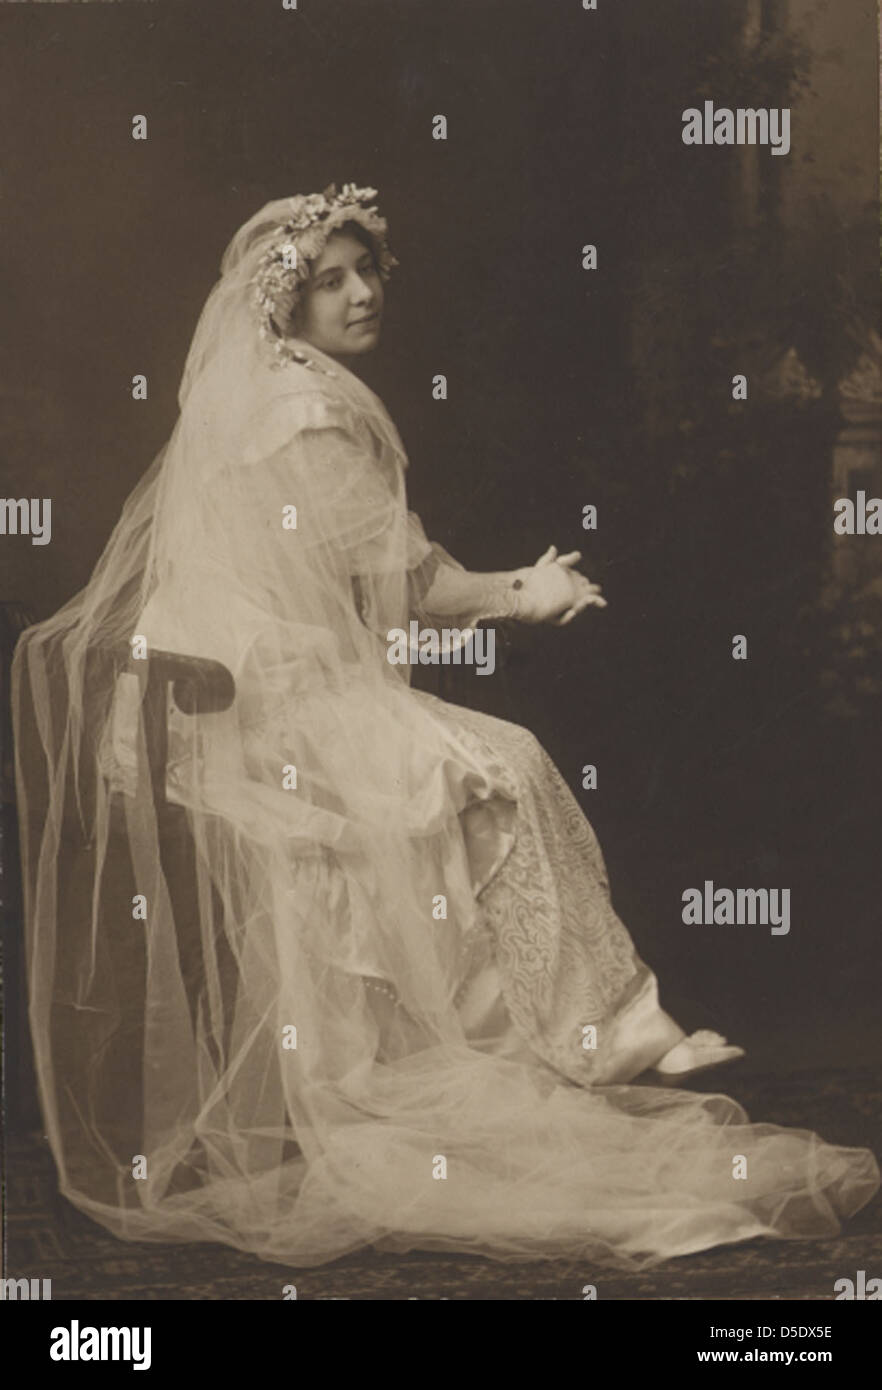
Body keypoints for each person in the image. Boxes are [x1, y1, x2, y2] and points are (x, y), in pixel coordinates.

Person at [12, 184, 878, 1272]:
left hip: (227, 713)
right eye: (330, 279)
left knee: (474, 765)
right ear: (282, 303)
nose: (362, 291)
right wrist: (529, 590)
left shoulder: (253, 396)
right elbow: (413, 583)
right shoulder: (308, 414)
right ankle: (602, 1038)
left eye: (368, 270)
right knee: (502, 762)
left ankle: (579, 1034)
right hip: (270, 715)